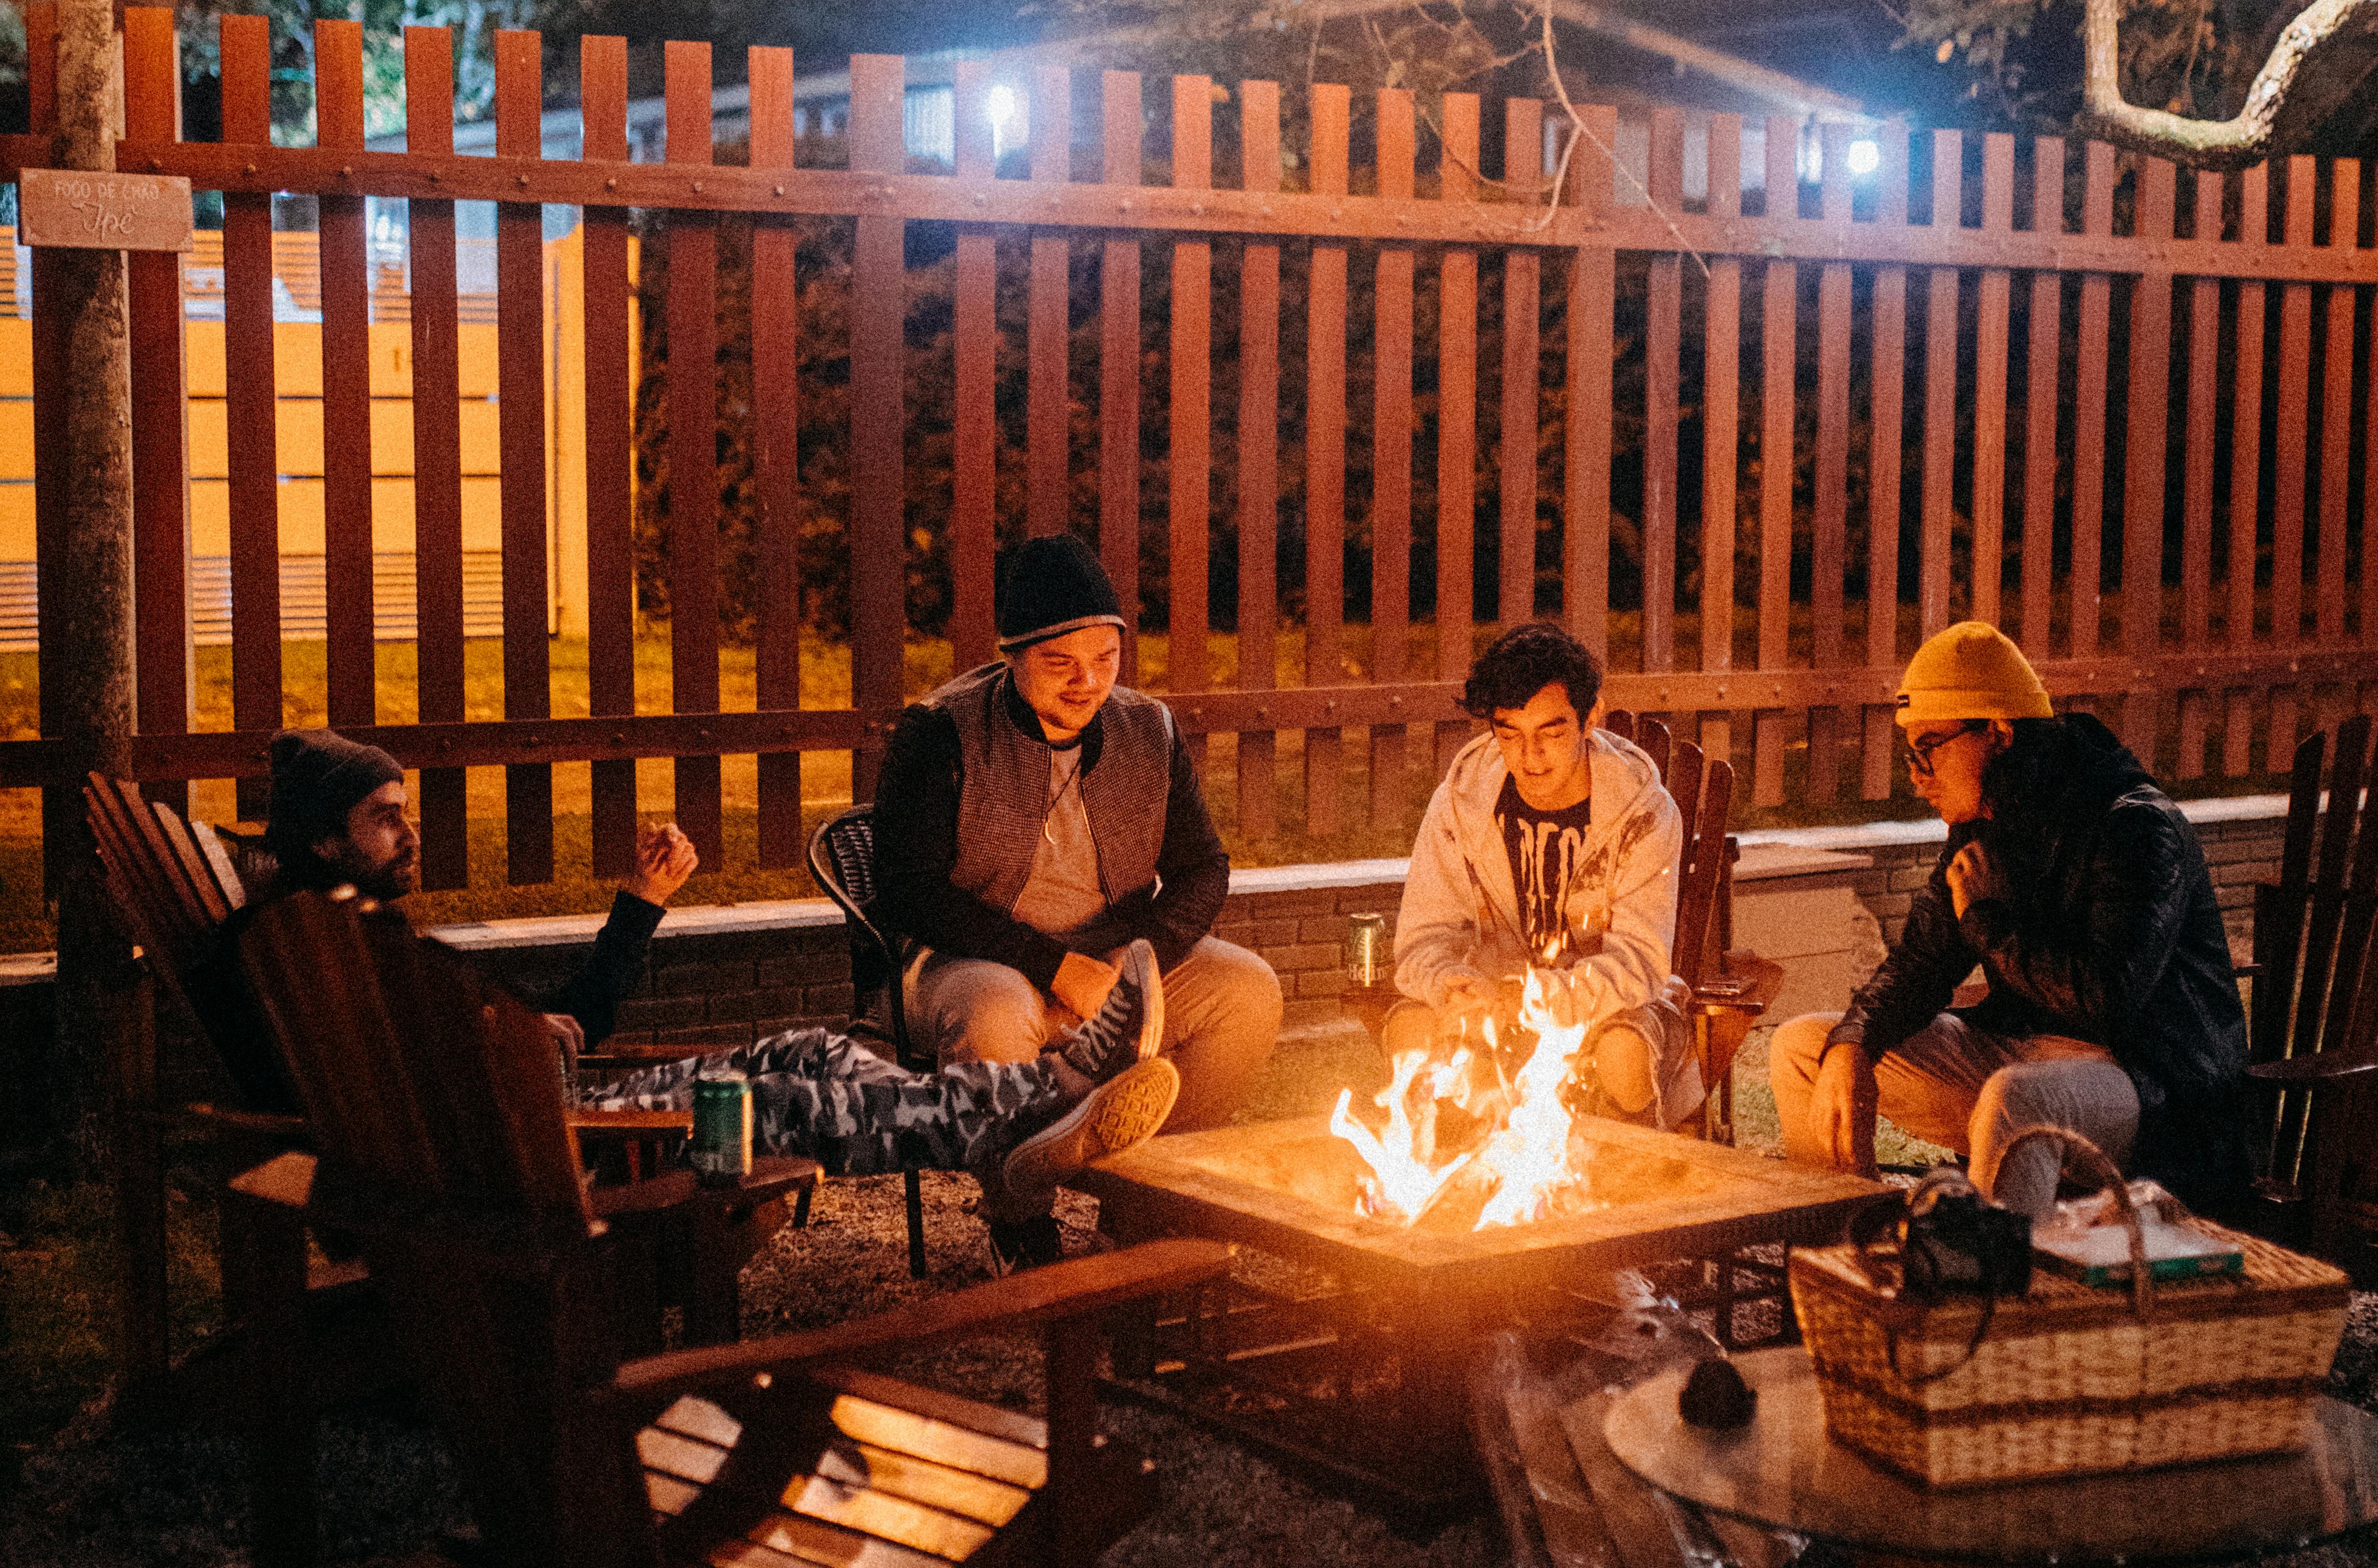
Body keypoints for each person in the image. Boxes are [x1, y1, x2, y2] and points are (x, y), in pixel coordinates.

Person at [193, 729, 1181, 1218]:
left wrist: (638, 902)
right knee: (779, 1106)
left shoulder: (347, 937)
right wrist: (502, 1050)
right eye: (384, 817)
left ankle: (1014, 1119)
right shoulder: (302, 957)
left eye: (405, 808)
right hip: (538, 1161)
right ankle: (1039, 1099)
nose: (411, 833)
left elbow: (570, 1019)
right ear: (324, 838)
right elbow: (377, 1091)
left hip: (553, 1112)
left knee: (815, 1047)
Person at [1767, 622, 2250, 1219]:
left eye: (1928, 748)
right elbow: (1922, 959)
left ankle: (1988, 1291)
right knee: (1805, 1049)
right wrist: (1855, 1040)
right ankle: (1846, 1261)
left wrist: (1987, 920)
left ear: (1995, 732)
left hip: (2146, 1084)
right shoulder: (1985, 818)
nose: (1916, 773)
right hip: (2020, 1054)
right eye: (1908, 753)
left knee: (2013, 1097)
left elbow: (2104, 999)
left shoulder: (2133, 825)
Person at [872, 534, 1284, 1165]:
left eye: (1106, 656)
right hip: (973, 960)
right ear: (1012, 656)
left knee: (1248, 990)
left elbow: (1203, 866)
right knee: (994, 1013)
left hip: (1113, 957)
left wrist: (1138, 957)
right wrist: (1055, 966)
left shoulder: (1148, 728)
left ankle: (1148, 1181)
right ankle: (1018, 1208)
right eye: (1059, 661)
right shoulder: (940, 731)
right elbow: (908, 889)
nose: (1086, 681)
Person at [1388, 623, 1703, 1125]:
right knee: (1412, 1034)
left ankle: (1625, 1192)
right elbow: (1422, 940)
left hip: (1609, 1007)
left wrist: (1522, 1000)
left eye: (1551, 733)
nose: (1529, 757)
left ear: (1590, 717)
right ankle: (1450, 1190)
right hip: (1486, 997)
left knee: (1623, 1056)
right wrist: (1453, 983)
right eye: (1509, 734)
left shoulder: (1643, 813)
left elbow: (1638, 965)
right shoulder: (1460, 802)